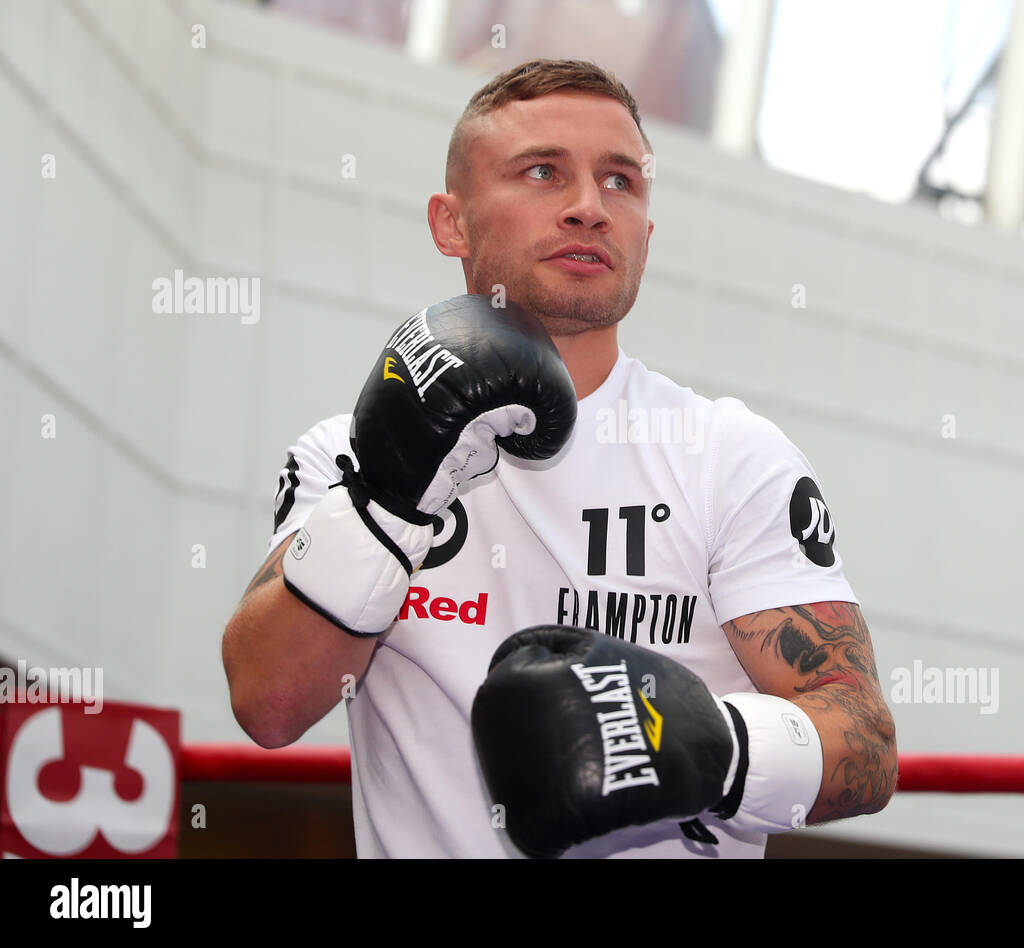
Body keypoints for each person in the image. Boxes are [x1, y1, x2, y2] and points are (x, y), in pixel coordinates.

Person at [222, 58, 897, 858]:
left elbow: (865, 743)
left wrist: (712, 747)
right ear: (452, 222)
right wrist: (388, 502)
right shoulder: (344, 454)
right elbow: (268, 704)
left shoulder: (728, 457)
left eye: (621, 182)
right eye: (543, 172)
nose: (589, 208)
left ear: (647, 231)